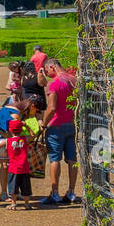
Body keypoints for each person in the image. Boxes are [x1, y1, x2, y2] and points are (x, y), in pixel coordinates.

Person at [39, 58, 78, 205]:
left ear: (52, 67)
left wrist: (44, 123)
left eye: (47, 70)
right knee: (72, 159)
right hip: (70, 123)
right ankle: (71, 191)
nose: (47, 73)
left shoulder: (54, 83)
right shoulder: (73, 80)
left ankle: (55, 193)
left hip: (56, 125)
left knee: (55, 159)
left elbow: (52, 107)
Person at [5, 117, 33, 209]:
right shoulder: (24, 139)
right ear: (21, 129)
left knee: (13, 186)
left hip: (13, 168)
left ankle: (13, 203)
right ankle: (27, 203)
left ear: (10, 129)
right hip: (24, 167)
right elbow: (32, 135)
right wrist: (27, 126)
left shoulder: (8, 141)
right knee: (25, 186)